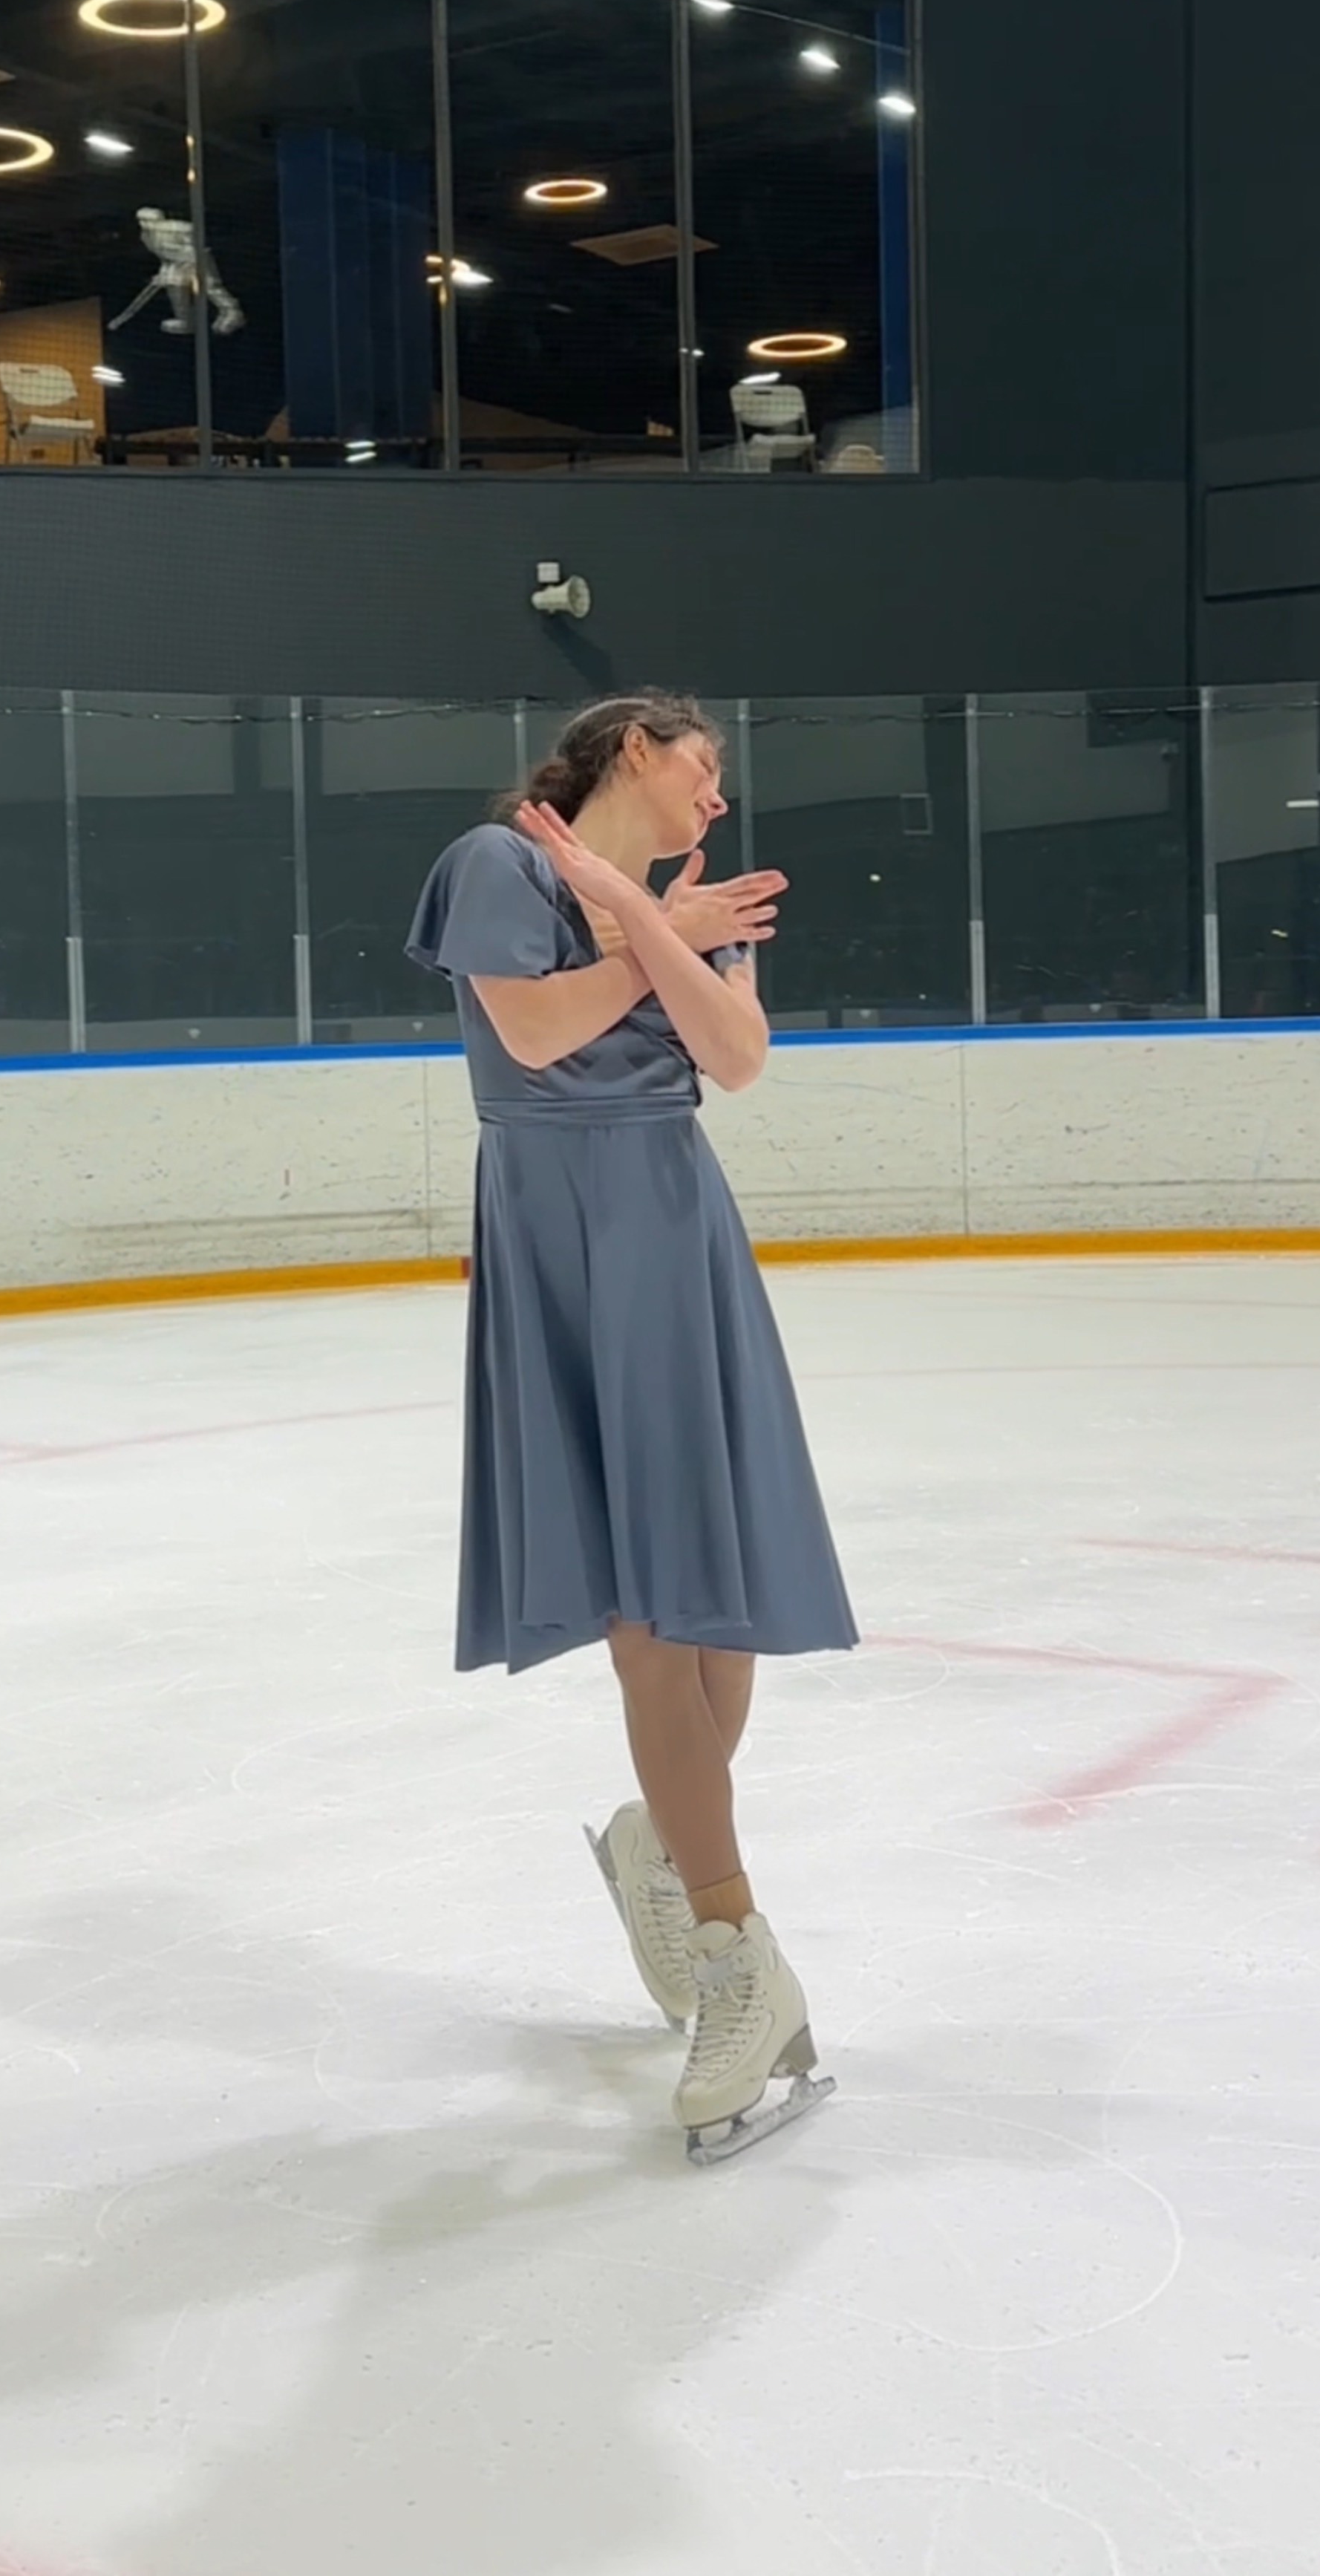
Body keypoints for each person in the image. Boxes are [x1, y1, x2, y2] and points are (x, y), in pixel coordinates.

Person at [407, 693, 857, 2165]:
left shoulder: (691, 902)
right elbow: (534, 1034)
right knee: (642, 1613)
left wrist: (655, 919)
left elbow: (736, 1056)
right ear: (633, 750)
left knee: (704, 1590)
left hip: (668, 1220)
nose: (715, 801)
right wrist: (644, 925)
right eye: (701, 768)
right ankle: (734, 1946)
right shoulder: (497, 863)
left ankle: (665, 1844)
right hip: (553, 1219)